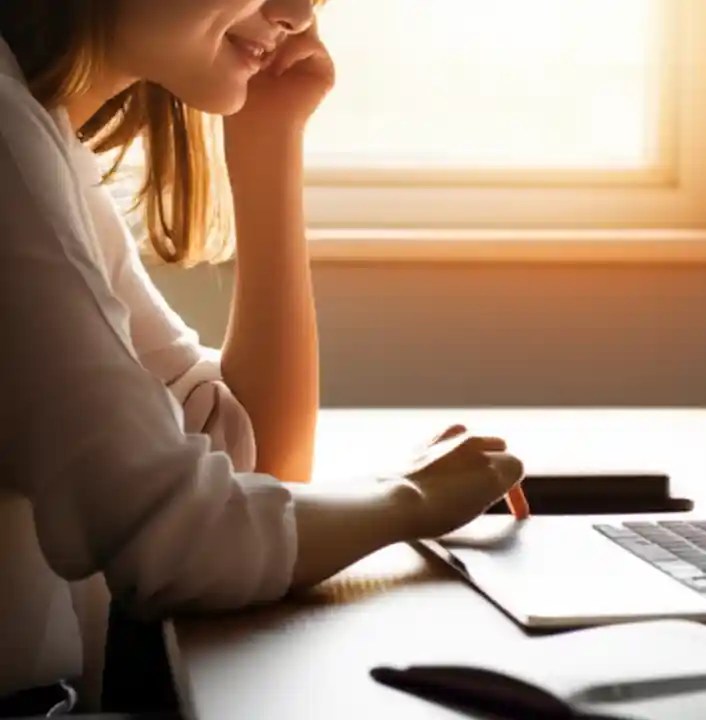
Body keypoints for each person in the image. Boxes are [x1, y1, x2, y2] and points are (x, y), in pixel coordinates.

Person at [0, 2, 526, 715]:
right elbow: (179, 540)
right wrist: (409, 500)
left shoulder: (40, 135)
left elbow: (250, 461)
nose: (297, 12)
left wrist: (269, 137)